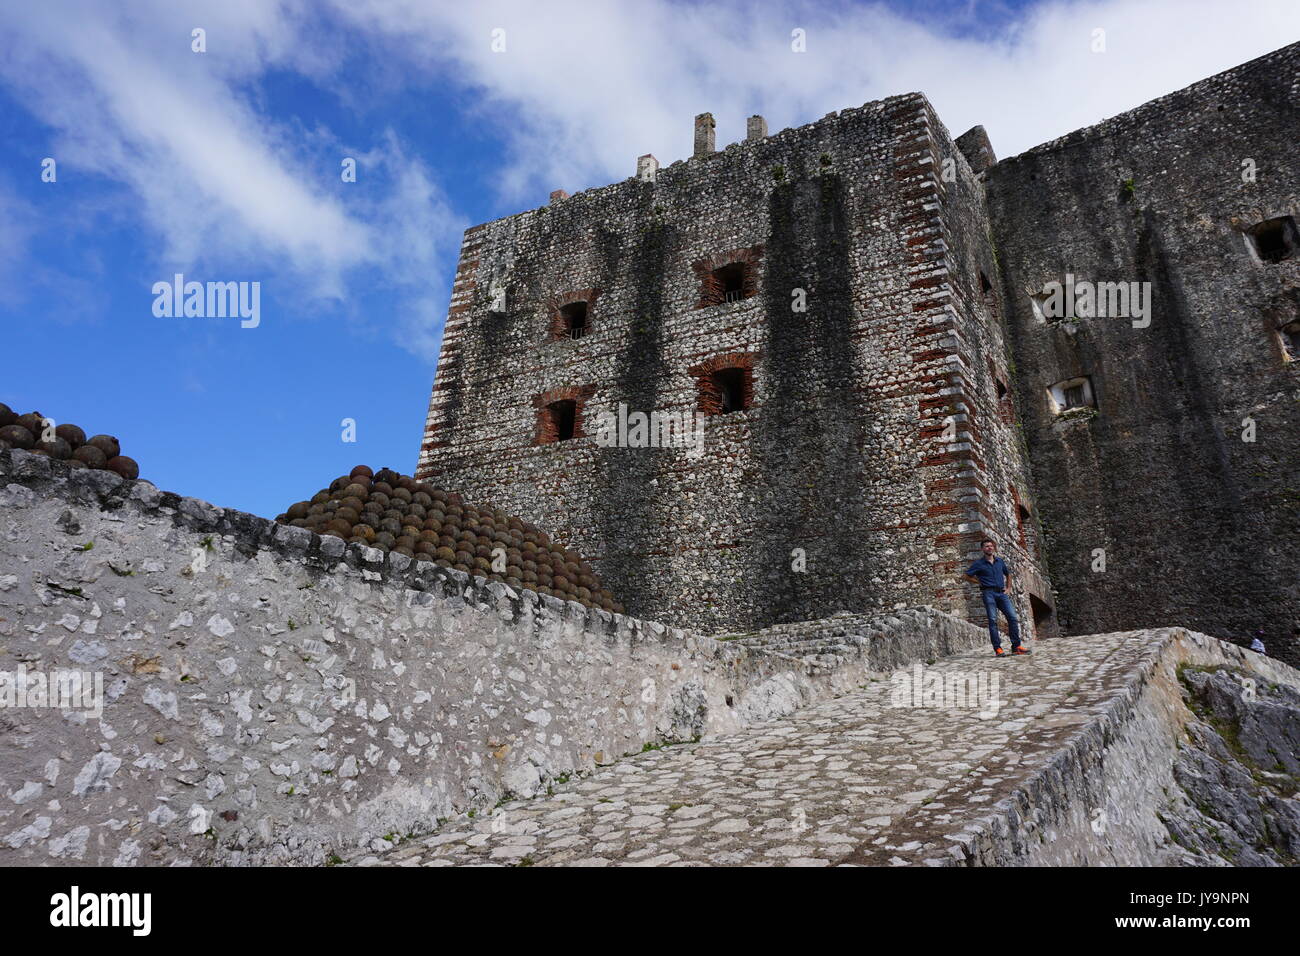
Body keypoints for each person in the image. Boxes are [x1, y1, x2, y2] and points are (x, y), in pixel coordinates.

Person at [963, 538, 1029, 657]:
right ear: (982, 549)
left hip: (1001, 594)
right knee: (993, 620)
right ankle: (998, 649)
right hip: (988, 593)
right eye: (987, 546)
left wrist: (1008, 588)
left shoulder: (1000, 561)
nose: (989, 548)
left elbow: (1008, 574)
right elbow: (967, 576)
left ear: (993, 547)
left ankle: (1016, 647)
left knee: (1013, 617)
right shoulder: (979, 564)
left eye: (991, 546)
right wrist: (979, 582)